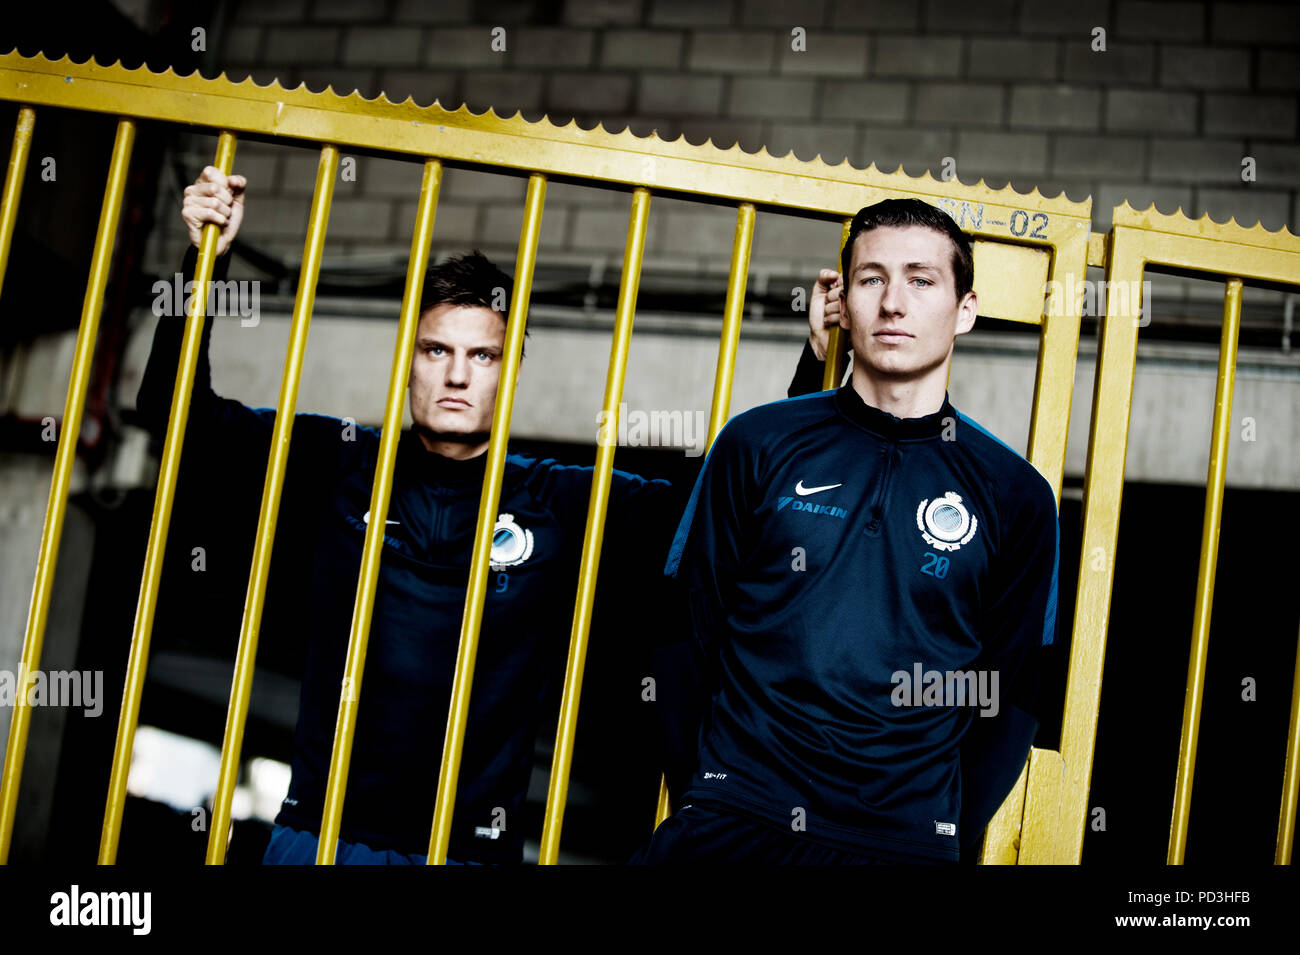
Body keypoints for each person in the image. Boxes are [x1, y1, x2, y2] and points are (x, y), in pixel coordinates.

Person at [137, 167, 826, 864]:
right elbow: (175, 416)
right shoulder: (341, 464)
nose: (457, 374)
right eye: (437, 350)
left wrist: (817, 363)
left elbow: (732, 509)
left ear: (511, 369)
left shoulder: (557, 500)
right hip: (319, 841)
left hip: (468, 855)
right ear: (410, 360)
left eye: (482, 355)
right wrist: (204, 258)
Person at [636, 198, 1060, 864]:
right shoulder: (756, 442)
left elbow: (1012, 695)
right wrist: (711, 792)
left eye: (922, 280)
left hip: (897, 844)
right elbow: (682, 633)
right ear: (842, 301)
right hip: (731, 821)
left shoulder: (1016, 495)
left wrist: (932, 833)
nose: (895, 302)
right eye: (872, 278)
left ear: (966, 308)